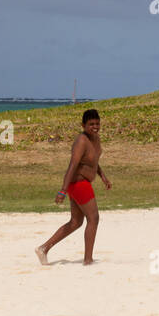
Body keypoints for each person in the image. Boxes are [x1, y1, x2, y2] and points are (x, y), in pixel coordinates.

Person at [36, 109, 111, 266]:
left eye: (97, 123)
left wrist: (102, 176)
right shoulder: (81, 141)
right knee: (94, 218)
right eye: (91, 124)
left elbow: (93, 161)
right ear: (83, 125)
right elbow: (73, 165)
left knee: (76, 222)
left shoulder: (96, 139)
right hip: (78, 183)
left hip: (82, 184)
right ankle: (88, 259)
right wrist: (62, 190)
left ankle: (44, 248)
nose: (95, 127)